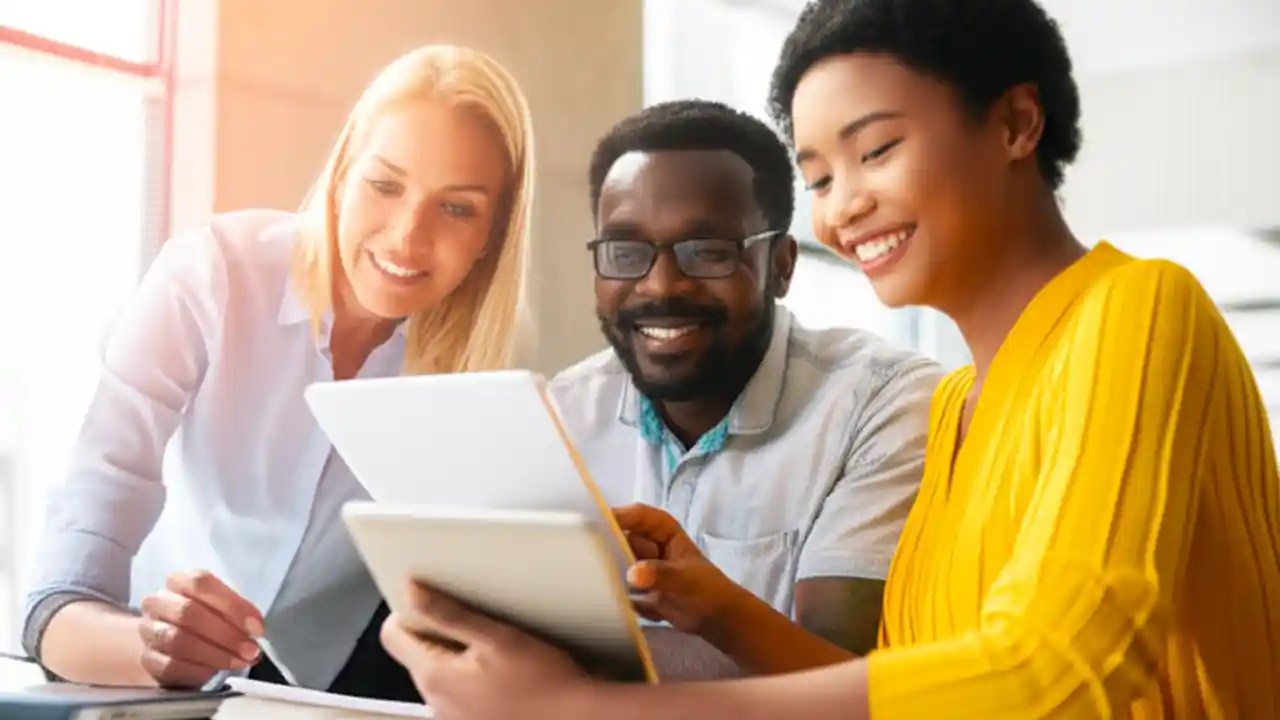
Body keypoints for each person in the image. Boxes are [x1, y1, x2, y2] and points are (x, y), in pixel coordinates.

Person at [378, 0, 1280, 717]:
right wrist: (719, 605)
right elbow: (910, 693)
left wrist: (575, 711)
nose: (842, 207)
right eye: (818, 178)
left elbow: (1057, 677)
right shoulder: (957, 403)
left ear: (1015, 123)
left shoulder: (1137, 306)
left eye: (876, 149)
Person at [23, 44, 536, 700]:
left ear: (493, 231)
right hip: (139, 672)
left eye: (457, 207)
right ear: (343, 172)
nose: (409, 235)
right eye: (384, 184)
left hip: (316, 695)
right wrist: (149, 648)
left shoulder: (477, 376)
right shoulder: (213, 276)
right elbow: (61, 592)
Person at [547, 100, 941, 674]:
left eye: (707, 252)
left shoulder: (881, 404)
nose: (660, 285)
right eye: (626, 253)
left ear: (781, 265)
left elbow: (842, 684)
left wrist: (717, 613)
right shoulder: (563, 412)